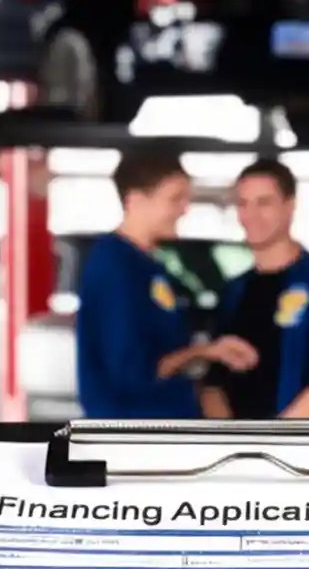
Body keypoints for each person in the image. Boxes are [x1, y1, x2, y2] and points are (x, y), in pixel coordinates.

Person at [76, 149, 257, 418]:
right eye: (174, 199)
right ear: (135, 201)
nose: (184, 210)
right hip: (132, 434)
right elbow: (133, 372)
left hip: (164, 426)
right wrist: (206, 351)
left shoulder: (150, 266)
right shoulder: (115, 267)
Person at [201, 159, 309, 420]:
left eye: (264, 203)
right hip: (236, 450)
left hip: (300, 450)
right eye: (243, 204)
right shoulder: (234, 291)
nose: (251, 215)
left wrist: (269, 446)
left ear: (290, 205)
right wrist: (231, 443)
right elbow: (213, 385)